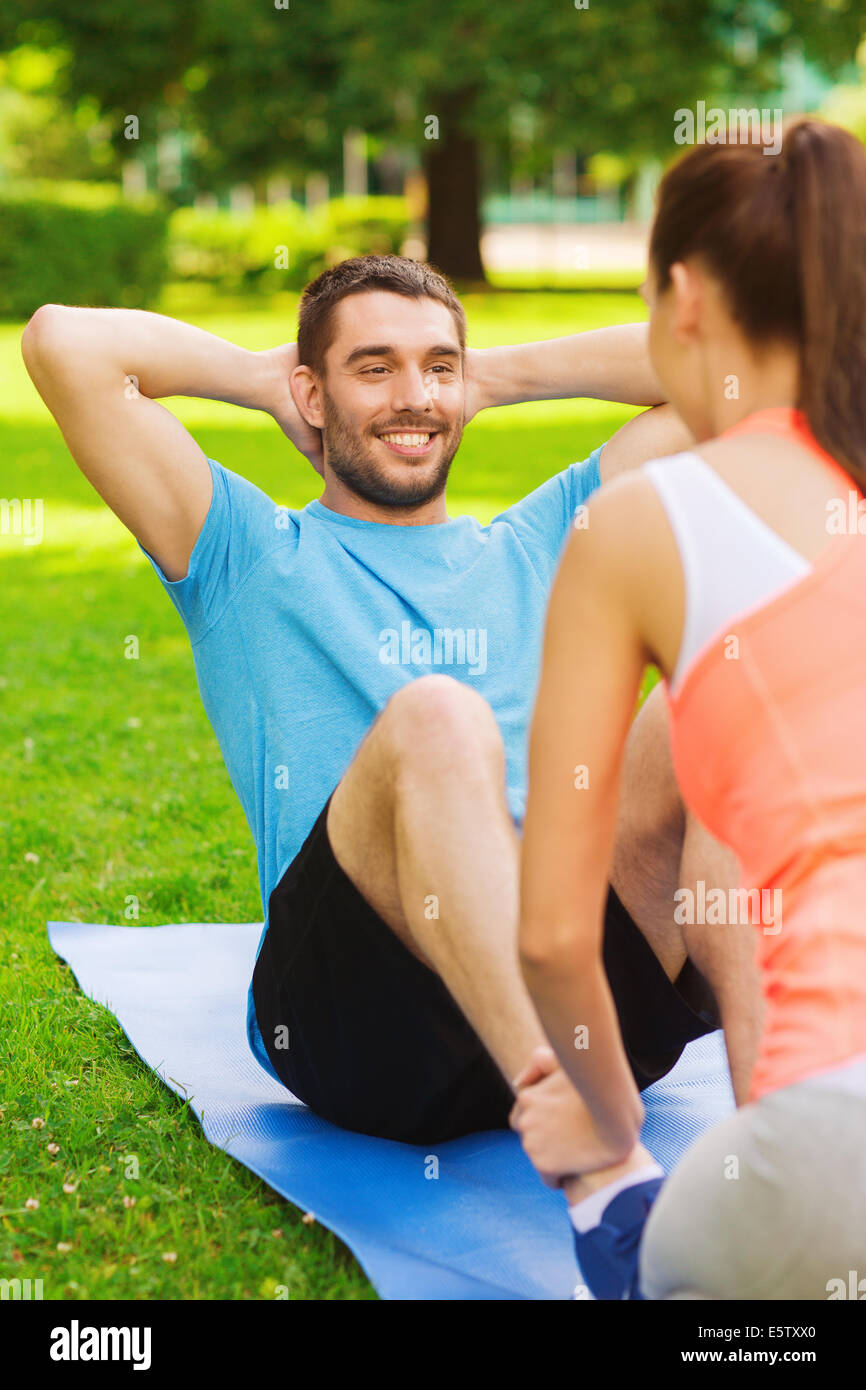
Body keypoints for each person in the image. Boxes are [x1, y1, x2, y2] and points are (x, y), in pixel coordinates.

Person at [22, 256, 750, 1148]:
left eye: (436, 366)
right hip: (370, 1030)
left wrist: (492, 377)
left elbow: (738, 372)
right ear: (312, 393)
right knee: (436, 715)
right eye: (374, 368)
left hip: (581, 991)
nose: (414, 397)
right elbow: (64, 343)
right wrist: (262, 382)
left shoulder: (548, 540)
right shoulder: (245, 554)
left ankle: (782, 1130)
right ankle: (573, 1131)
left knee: (730, 678)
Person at [512, 118, 866, 1299]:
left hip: (831, 1152)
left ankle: (612, 1198)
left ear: (678, 295)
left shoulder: (639, 524)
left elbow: (555, 939)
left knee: (635, 1219)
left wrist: (605, 1134)